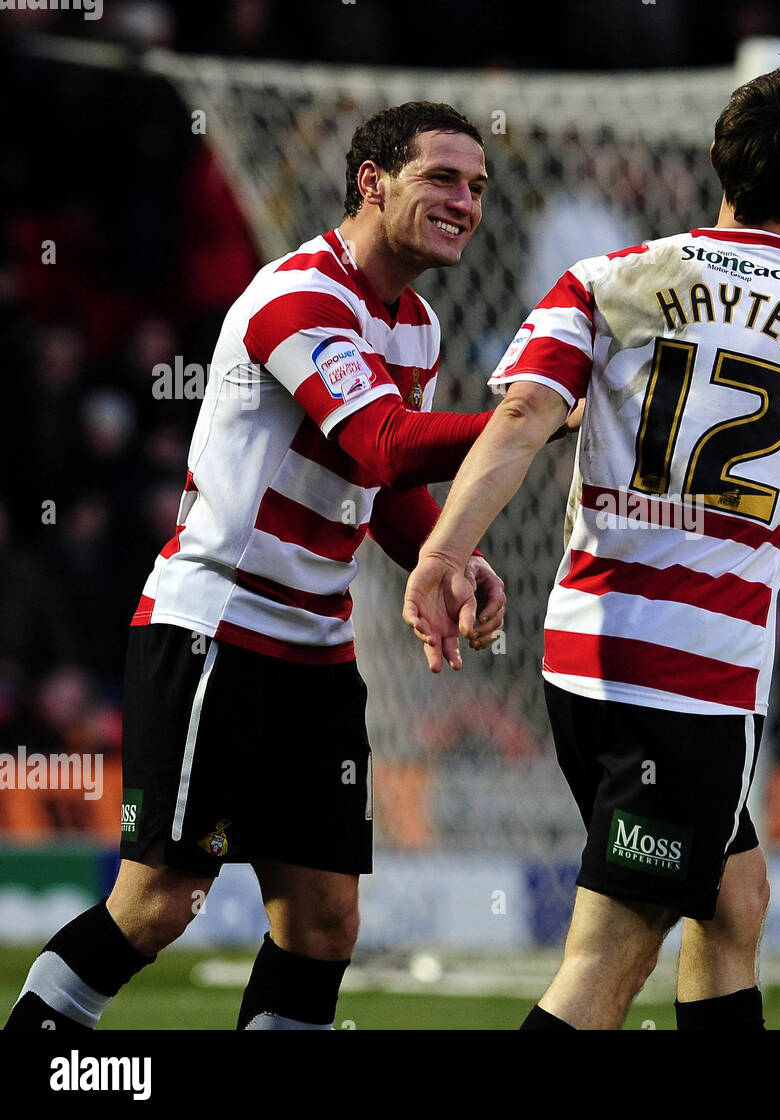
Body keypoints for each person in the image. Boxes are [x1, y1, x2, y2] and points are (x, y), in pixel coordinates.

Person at [6, 101, 520, 1031]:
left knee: (325, 921)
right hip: (215, 633)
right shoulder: (299, 297)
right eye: (443, 178)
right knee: (160, 904)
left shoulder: (420, 330)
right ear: (373, 180)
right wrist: (532, 418)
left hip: (317, 654)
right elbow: (382, 443)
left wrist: (452, 555)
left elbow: (382, 493)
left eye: (477, 186)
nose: (465, 202)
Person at [403, 61, 780, 1030]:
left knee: (733, 901)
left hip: (583, 656)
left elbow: (523, 417)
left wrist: (441, 551)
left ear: (717, 156)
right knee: (609, 961)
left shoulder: (607, 277)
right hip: (693, 684)